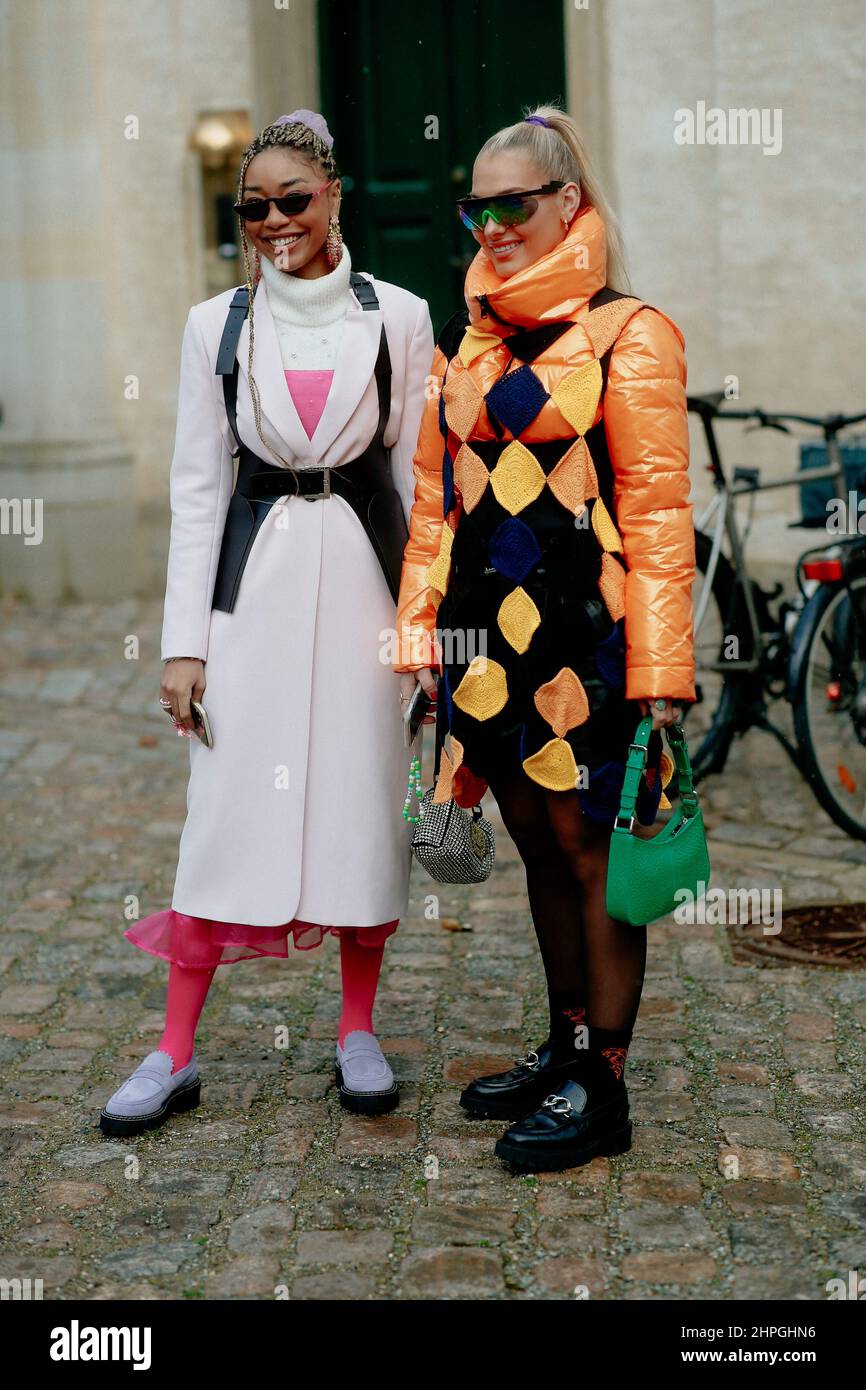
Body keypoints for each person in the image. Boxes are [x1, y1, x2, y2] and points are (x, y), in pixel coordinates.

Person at [99, 110, 433, 1137]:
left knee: (361, 804)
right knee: (223, 811)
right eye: (253, 207)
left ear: (332, 194)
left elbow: (424, 483)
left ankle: (357, 1030)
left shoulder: (401, 317)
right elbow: (197, 490)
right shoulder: (218, 325)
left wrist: (428, 637)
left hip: (368, 595)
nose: (274, 220)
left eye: (293, 199)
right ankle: (174, 1049)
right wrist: (183, 645)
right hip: (249, 598)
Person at [393, 103, 695, 1172]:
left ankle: (602, 1085)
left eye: (512, 204)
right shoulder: (464, 343)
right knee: (532, 839)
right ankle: (564, 1043)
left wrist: (663, 672)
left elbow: (658, 520)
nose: (489, 228)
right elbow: (435, 508)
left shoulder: (630, 334)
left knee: (589, 849)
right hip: (483, 640)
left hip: (590, 640)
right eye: (474, 208)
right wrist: (417, 640)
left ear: (567, 201)